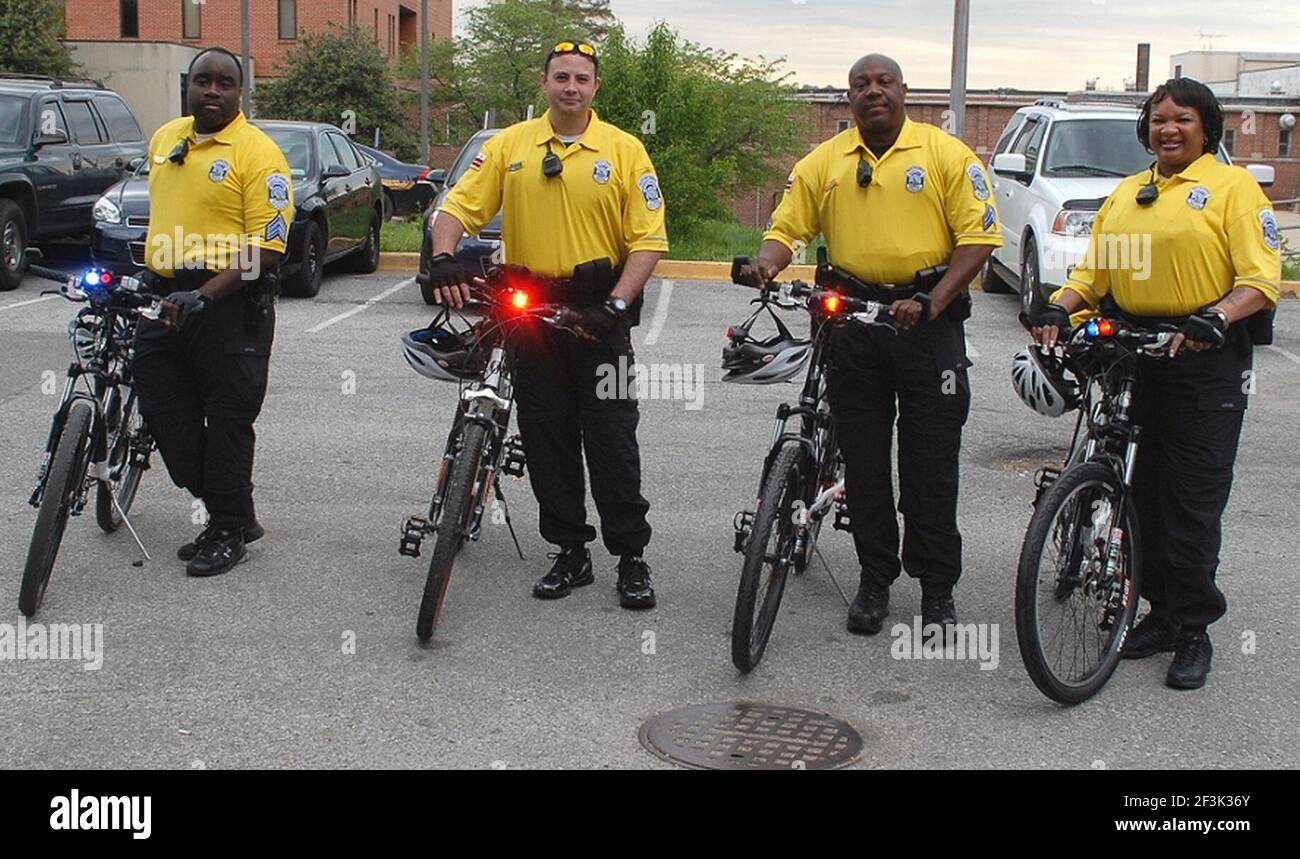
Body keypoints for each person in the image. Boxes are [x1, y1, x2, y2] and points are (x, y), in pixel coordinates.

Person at [742, 54, 1002, 638]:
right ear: (849, 97)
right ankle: (874, 579)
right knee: (862, 462)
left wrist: (933, 300)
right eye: (861, 85)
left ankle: (937, 590)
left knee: (929, 464)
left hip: (926, 324)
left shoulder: (945, 155)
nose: (873, 92)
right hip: (853, 322)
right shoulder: (824, 162)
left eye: (884, 83)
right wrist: (766, 261)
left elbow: (980, 237)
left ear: (905, 91)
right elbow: (787, 229)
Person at [1032, 77, 1280, 690]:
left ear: (1208, 127)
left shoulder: (1234, 190)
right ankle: (1158, 613)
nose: (1169, 128)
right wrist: (1060, 306)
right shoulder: (1127, 193)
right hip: (1136, 351)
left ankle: (1192, 628)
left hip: (1205, 354)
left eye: (1184, 119)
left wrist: (1217, 315)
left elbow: (1261, 280)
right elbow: (1091, 274)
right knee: (1138, 490)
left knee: (1191, 499)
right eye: (1159, 118)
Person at [422, 40, 668, 608]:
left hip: (599, 316)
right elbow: (456, 208)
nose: (571, 87)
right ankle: (570, 552)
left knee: (612, 439)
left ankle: (631, 557)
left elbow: (649, 240)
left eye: (582, 78)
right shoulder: (511, 145)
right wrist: (443, 256)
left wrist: (616, 306)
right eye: (561, 77)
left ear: (596, 87)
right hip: (530, 314)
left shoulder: (626, 151)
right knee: (546, 437)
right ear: (545, 82)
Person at [132, 47, 292, 577]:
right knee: (164, 412)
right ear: (188, 85)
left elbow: (267, 247)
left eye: (225, 83)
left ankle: (226, 528)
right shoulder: (165, 139)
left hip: (228, 304)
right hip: (165, 299)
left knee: (226, 420)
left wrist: (207, 293)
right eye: (204, 81)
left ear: (239, 91)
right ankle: (235, 512)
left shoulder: (258, 153)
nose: (213, 92)